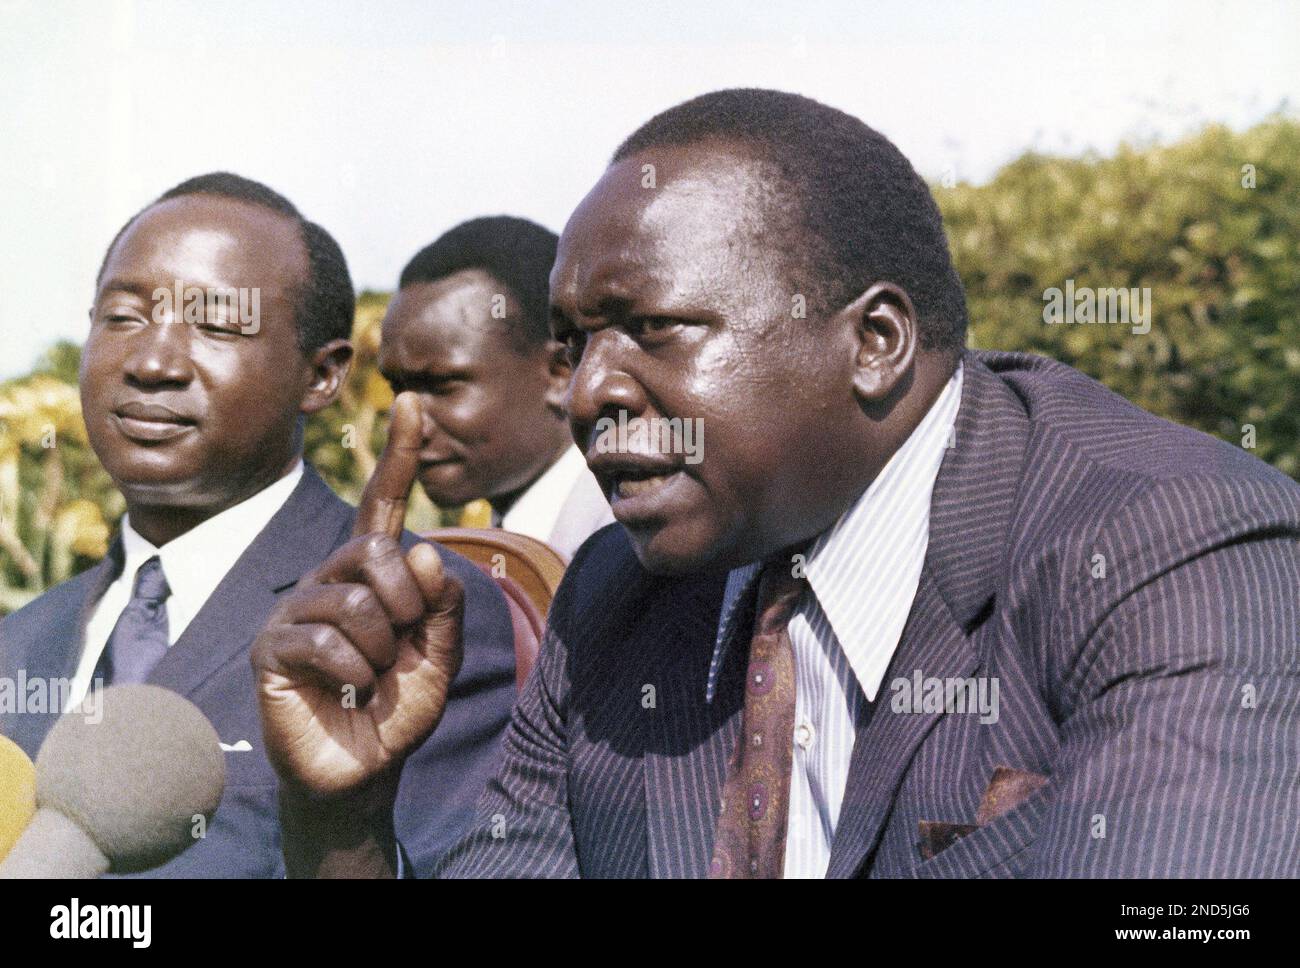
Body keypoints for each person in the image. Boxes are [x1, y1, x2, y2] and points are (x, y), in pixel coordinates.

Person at [253, 91, 1300, 878]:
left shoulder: (1173, 548)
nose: (590, 392)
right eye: (574, 343)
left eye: (654, 328)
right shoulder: (616, 596)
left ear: (875, 341)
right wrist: (341, 818)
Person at [0, 173, 517, 878]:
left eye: (215, 324)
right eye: (122, 317)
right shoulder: (19, 643)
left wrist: (340, 825)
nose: (152, 362)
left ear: (323, 375)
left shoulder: (401, 622)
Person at [379, 217, 612, 558]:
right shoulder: (485, 555)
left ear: (562, 373)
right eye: (397, 389)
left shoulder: (628, 547)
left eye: (443, 385)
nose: (408, 425)